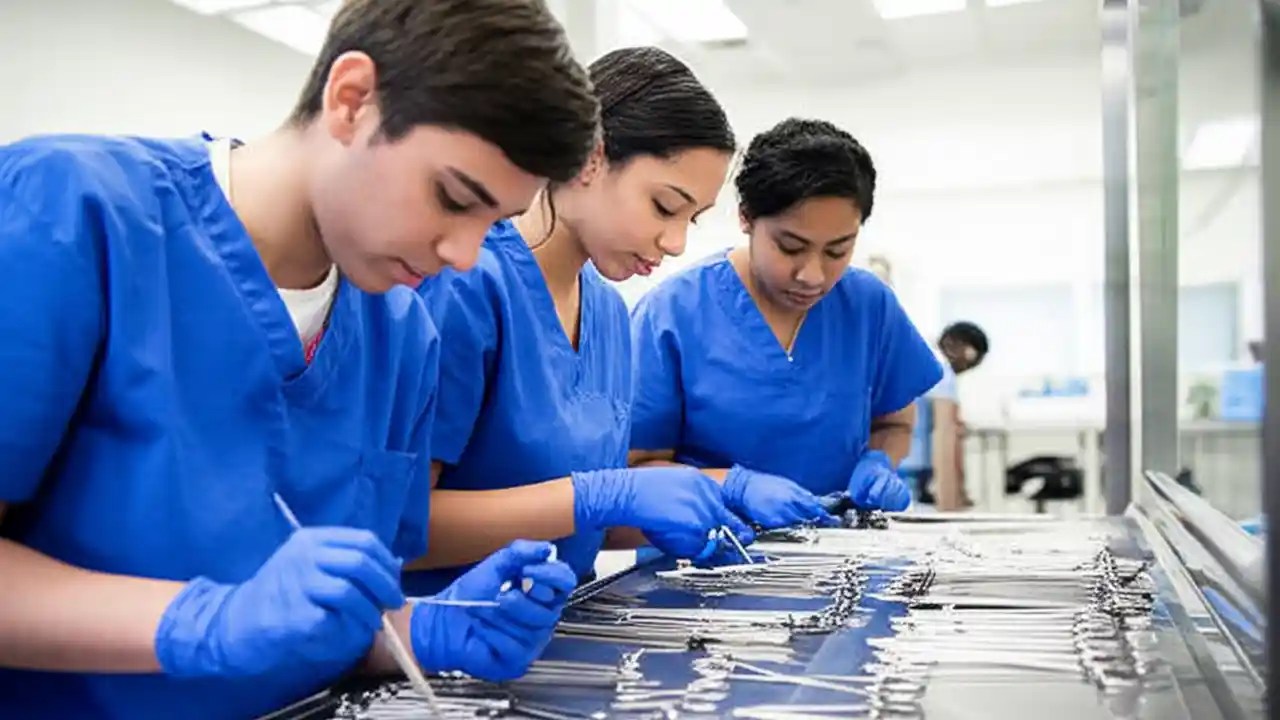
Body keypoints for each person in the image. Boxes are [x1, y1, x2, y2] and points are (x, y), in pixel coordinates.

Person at [0, 2, 601, 719]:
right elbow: (240, 623)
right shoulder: (71, 213)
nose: (464, 255)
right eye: (451, 198)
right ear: (352, 99)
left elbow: (312, 626)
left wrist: (417, 630)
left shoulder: (401, 330)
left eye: (493, 223)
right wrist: (200, 623)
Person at [403, 46, 750, 595]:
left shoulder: (609, 313)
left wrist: (696, 511)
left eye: (693, 219)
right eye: (665, 207)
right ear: (590, 157)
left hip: (562, 617)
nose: (676, 242)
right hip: (452, 628)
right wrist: (601, 496)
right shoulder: (467, 285)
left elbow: (580, 523)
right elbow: (401, 529)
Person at [628, 118, 943, 530]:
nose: (812, 275)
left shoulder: (868, 304)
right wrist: (733, 488)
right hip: (708, 553)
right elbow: (637, 470)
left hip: (840, 552)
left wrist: (880, 461)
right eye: (790, 247)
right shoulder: (673, 313)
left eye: (837, 251)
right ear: (746, 218)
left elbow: (894, 422)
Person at [901, 321, 989, 511]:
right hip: (909, 473)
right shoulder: (941, 373)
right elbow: (945, 443)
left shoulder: (914, 358)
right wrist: (950, 507)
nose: (966, 368)